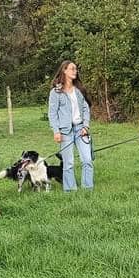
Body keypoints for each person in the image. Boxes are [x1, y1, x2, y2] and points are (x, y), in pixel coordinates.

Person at [48, 61, 93, 191]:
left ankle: (88, 189)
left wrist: (85, 126)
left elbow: (85, 109)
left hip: (80, 129)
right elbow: (52, 113)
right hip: (65, 131)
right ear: (64, 70)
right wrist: (56, 131)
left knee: (87, 160)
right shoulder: (56, 92)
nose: (75, 71)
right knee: (68, 163)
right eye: (72, 69)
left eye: (76, 69)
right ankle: (70, 190)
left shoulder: (79, 90)